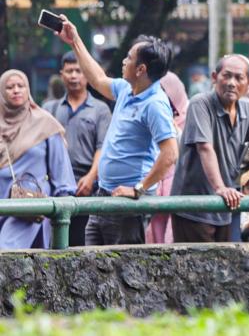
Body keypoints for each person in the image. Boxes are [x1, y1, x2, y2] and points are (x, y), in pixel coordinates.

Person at [55, 18, 179, 245]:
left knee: (122, 273)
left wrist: (138, 189)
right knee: (90, 267)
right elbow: (97, 78)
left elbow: (170, 153)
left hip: (127, 203)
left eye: (129, 58)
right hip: (104, 194)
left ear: (141, 69)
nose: (123, 61)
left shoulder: (154, 104)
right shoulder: (126, 88)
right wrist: (75, 41)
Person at [169, 55, 249, 242]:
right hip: (195, 204)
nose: (232, 83)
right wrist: (220, 187)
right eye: (226, 76)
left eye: (239, 78)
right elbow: (205, 148)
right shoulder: (201, 103)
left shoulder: (248, 110)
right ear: (214, 77)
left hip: (225, 204)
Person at [0, 69, 76, 248]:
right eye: (10, 87)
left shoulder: (45, 123)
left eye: (21, 86)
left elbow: (62, 173)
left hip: (30, 207)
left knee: (5, 251)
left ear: (28, 90)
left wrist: (60, 213)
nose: (16, 90)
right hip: (2, 203)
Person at [43, 51, 111, 246]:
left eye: (79, 71)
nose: (74, 76)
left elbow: (103, 147)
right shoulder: (50, 109)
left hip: (86, 186)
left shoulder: (100, 109)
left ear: (87, 76)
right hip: (55, 187)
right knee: (53, 244)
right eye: (69, 71)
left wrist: (91, 177)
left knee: (82, 243)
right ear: (61, 74)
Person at [146, 72, 190, 244]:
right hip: (154, 188)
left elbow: (180, 153)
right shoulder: (152, 113)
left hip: (179, 189)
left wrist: (172, 129)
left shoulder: (190, 118)